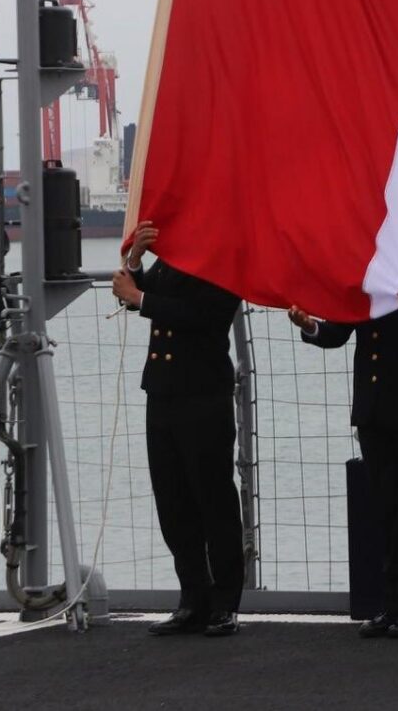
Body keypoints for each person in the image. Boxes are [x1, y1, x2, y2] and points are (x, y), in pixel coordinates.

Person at [289, 288, 398, 638]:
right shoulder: (365, 279)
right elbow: (338, 330)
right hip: (374, 409)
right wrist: (310, 326)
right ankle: (393, 605)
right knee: (387, 510)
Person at [113, 221, 246, 638]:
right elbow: (141, 290)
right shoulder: (174, 258)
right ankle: (193, 598)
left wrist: (140, 298)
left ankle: (225, 602)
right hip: (164, 390)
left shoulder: (223, 260)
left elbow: (204, 316)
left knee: (213, 499)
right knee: (173, 502)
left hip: (203, 392)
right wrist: (136, 260)